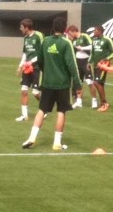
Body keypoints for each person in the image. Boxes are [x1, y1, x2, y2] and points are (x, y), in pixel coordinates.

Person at [21, 15, 80, 151]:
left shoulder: (46, 41)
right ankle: (56, 143)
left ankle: (31, 138)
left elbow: (40, 61)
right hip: (62, 84)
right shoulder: (66, 43)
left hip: (47, 82)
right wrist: (77, 84)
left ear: (53, 28)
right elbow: (72, 65)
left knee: (42, 110)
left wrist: (46, 72)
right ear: (65, 29)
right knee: (61, 111)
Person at [15, 17, 43, 122]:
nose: (20, 29)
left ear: (27, 27)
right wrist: (20, 65)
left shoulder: (38, 36)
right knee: (24, 90)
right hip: (27, 68)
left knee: (35, 93)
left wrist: (31, 62)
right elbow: (25, 53)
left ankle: (45, 108)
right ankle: (24, 115)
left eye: (21, 27)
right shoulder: (26, 38)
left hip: (36, 67)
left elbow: (42, 52)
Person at [89, 25, 113, 112]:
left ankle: (104, 103)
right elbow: (92, 52)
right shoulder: (94, 40)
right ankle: (103, 103)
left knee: (96, 83)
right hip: (96, 66)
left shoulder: (107, 40)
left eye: (95, 30)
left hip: (104, 65)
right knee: (100, 84)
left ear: (100, 31)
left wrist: (106, 59)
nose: (94, 32)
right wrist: (89, 62)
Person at [67, 24, 92, 109]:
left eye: (70, 33)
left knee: (89, 81)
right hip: (78, 62)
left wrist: (83, 48)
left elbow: (92, 46)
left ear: (74, 31)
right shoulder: (74, 40)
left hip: (86, 62)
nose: (70, 35)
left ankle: (94, 101)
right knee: (78, 82)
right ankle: (79, 101)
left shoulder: (84, 36)